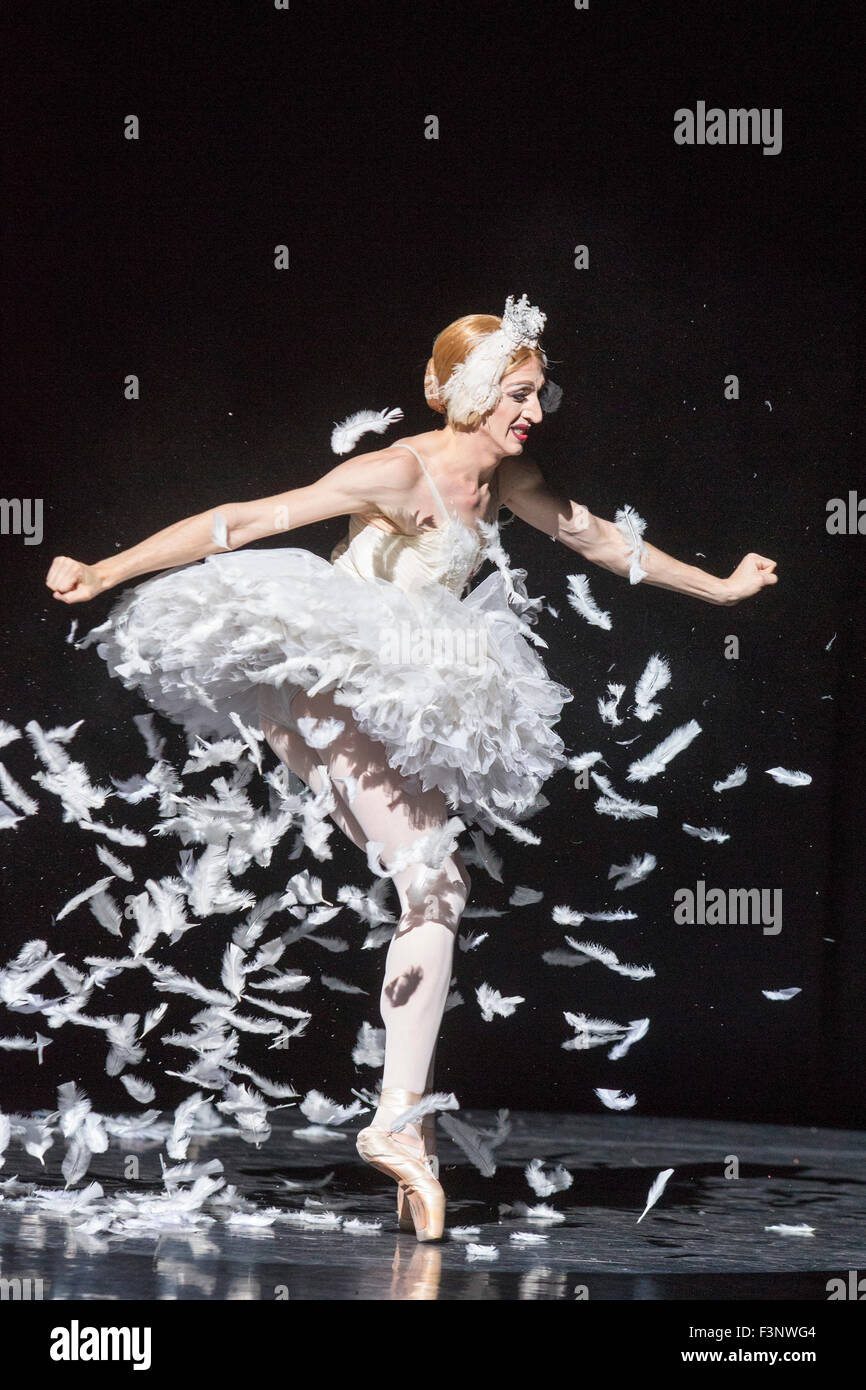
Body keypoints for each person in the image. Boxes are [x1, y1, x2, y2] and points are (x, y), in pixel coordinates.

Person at [45, 294, 778, 1242]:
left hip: (389, 695)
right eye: (519, 394)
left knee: (431, 890)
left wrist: (719, 588)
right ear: (472, 395)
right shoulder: (397, 472)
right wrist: (106, 573)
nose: (537, 411)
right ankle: (396, 1121)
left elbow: (597, 535)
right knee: (435, 880)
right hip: (330, 677)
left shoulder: (510, 483)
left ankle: (406, 1125)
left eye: (540, 392)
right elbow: (248, 518)